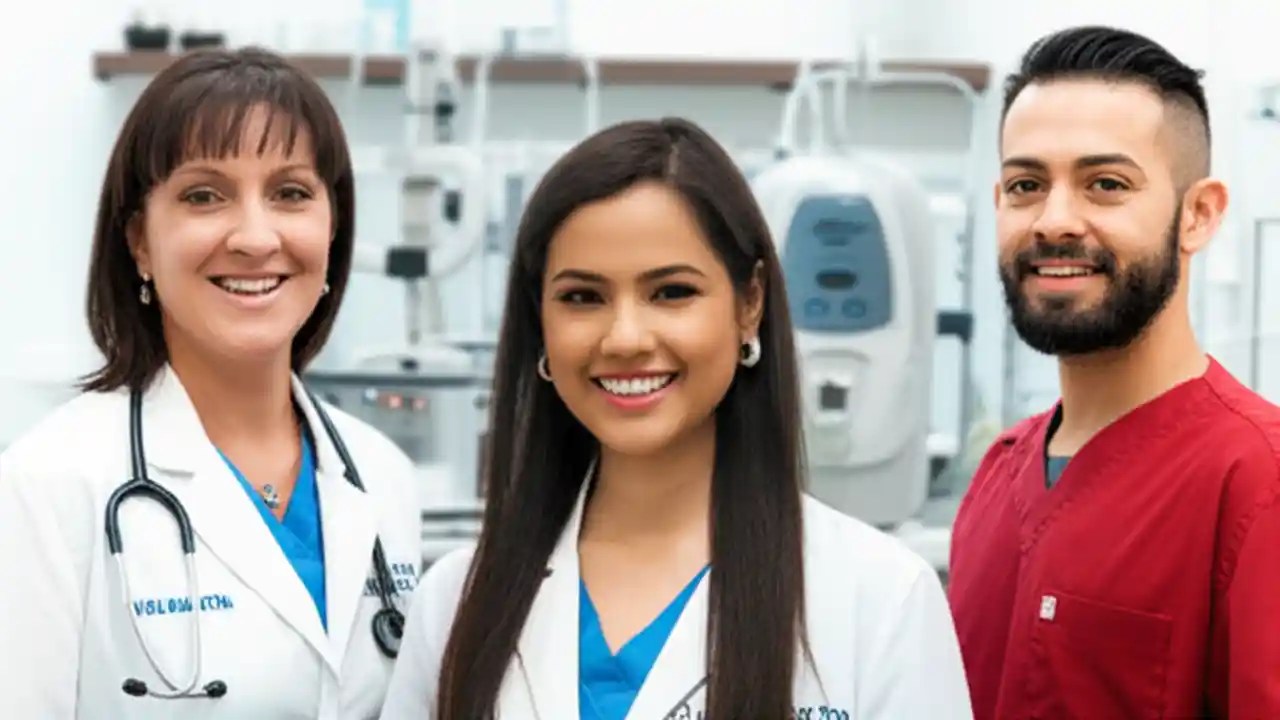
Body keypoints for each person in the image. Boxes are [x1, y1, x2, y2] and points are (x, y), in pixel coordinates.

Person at [377, 117, 972, 720]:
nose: (626, 338)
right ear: (542, 322)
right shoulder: (457, 604)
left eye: (672, 293)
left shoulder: (881, 599)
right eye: (583, 297)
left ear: (750, 303)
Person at [0, 48, 423, 719]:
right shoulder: (49, 485)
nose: (256, 238)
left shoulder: (383, 478)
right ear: (140, 240)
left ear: (331, 226)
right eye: (204, 196)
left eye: (290, 193)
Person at [947, 24, 1280, 719]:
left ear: (1198, 215)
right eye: (1026, 184)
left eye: (1105, 184)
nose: (1055, 220)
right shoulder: (998, 473)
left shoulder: (1255, 481)